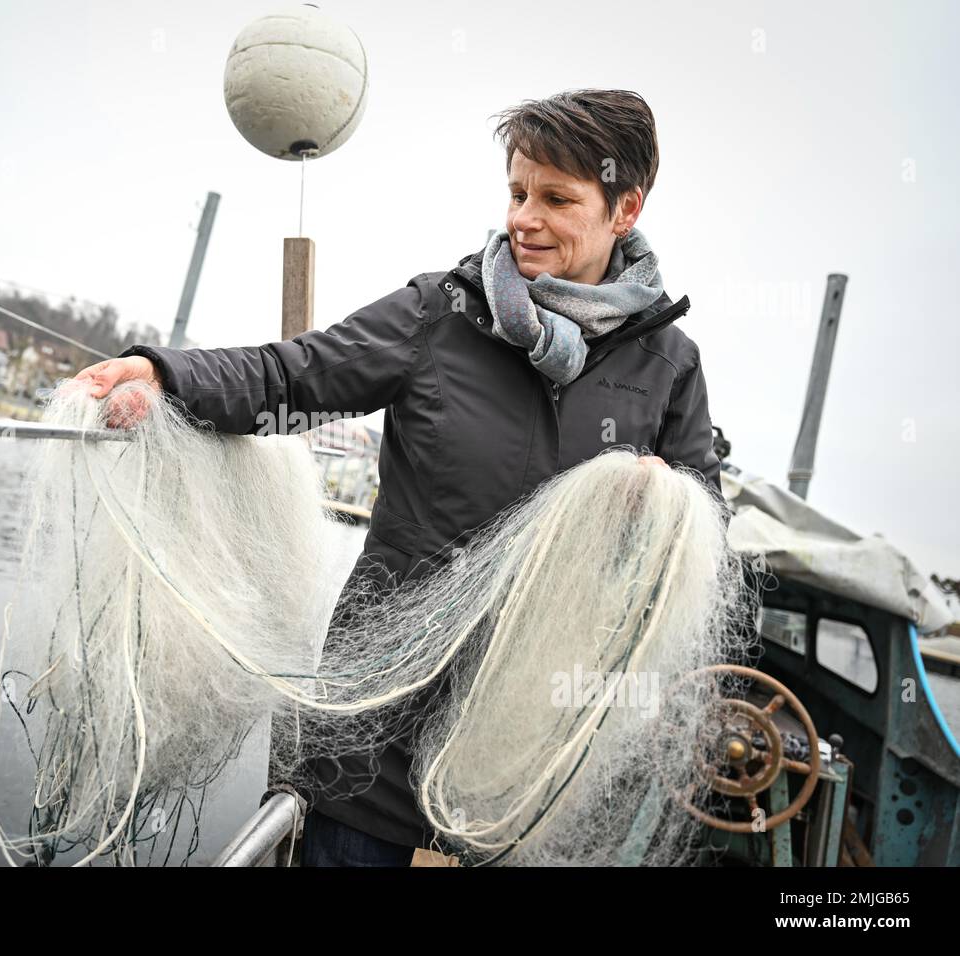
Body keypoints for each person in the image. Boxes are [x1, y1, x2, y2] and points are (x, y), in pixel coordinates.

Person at [73, 89, 721, 866]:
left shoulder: (669, 366)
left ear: (624, 209)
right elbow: (292, 379)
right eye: (517, 193)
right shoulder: (441, 315)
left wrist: (661, 504)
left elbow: (704, 529)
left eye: (557, 198)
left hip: (522, 759)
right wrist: (165, 376)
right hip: (371, 740)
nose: (524, 218)